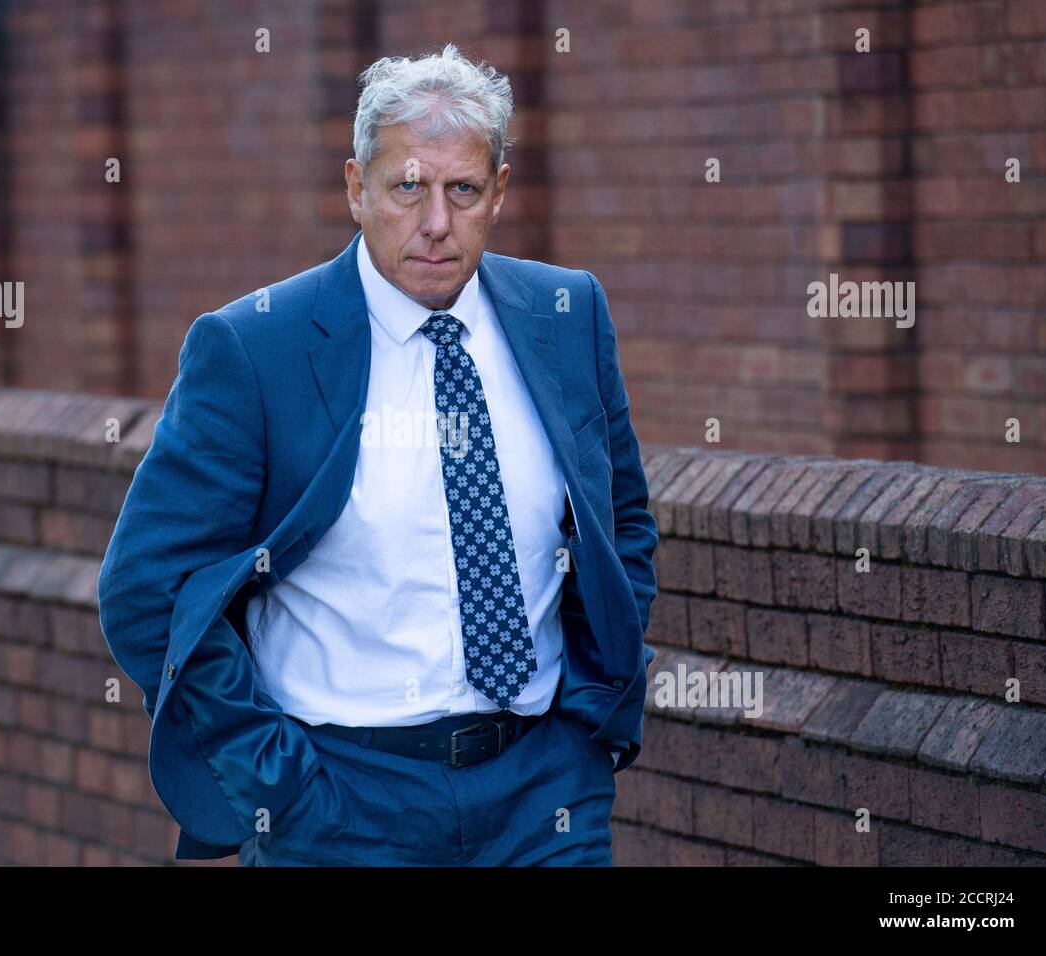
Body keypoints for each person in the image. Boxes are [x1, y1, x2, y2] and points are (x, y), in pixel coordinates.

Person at [97, 42, 658, 866]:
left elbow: (625, 523)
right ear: (357, 188)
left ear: (498, 193)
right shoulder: (258, 349)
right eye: (407, 188)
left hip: (545, 796)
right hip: (339, 807)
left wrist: (586, 717)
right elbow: (145, 587)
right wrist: (276, 779)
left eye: (462, 189)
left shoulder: (565, 314)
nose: (436, 222)